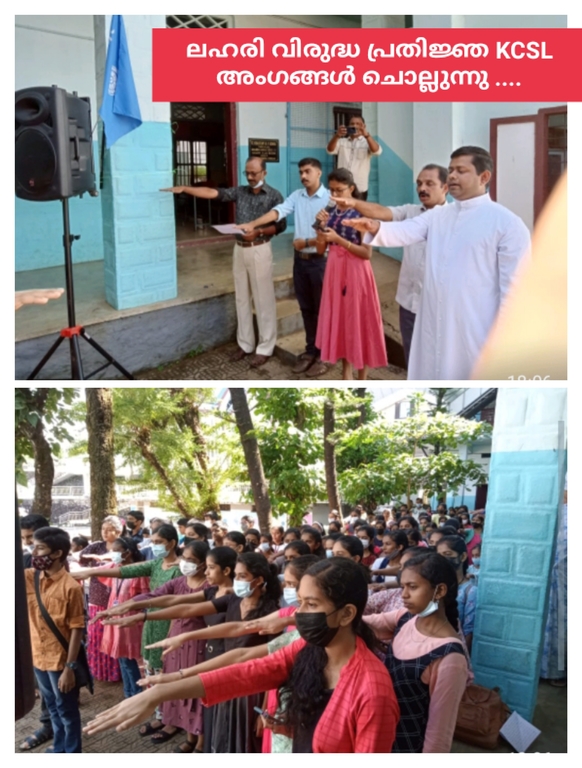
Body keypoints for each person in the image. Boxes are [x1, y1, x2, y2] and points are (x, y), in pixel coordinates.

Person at [84, 558, 400, 753]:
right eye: (299, 601)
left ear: (346, 614)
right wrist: (160, 693)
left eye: (311, 605)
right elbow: (247, 671)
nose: (297, 614)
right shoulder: (308, 649)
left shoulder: (373, 690)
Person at [347, 146, 531, 380]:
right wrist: (375, 227)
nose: (452, 175)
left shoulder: (507, 225)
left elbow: (515, 290)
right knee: (428, 370)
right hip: (433, 317)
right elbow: (406, 230)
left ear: (484, 177)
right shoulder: (437, 215)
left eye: (461, 170)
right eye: (451, 169)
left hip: (474, 325)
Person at [122, 552, 281, 753]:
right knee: (222, 735)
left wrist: (265, 710)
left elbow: (273, 666)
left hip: (251, 691)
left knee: (245, 740)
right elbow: (186, 609)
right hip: (226, 679)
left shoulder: (271, 612)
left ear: (258, 580)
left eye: (242, 577)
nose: (237, 581)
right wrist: (143, 615)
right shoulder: (232, 600)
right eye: (237, 575)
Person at [161, 157, 286, 367]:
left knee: (263, 300)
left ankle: (265, 347)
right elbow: (214, 193)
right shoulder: (240, 191)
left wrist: (258, 231)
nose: (250, 176)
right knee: (242, 298)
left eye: (254, 173)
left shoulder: (274, 196)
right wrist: (185, 188)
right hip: (240, 250)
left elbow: (281, 226)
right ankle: (246, 344)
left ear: (264, 173)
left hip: (260, 249)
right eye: (247, 172)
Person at [332, 164, 448, 365]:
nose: (422, 188)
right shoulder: (411, 211)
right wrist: (353, 203)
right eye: (419, 183)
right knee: (413, 360)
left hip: (438, 306)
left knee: (440, 362)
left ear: (445, 187)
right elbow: (382, 212)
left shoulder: (454, 219)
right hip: (408, 303)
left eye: (430, 184)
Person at [72, 523, 182, 728]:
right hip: (151, 623)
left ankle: (172, 721)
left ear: (172, 543)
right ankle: (160, 715)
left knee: (168, 672)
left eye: (159, 542)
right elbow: (127, 571)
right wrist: (92, 572)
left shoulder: (180, 569)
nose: (155, 546)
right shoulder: (157, 564)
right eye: (154, 542)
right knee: (151, 670)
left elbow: (178, 604)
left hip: (170, 623)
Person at [104, 541, 211, 750]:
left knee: (198, 694)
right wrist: (128, 605)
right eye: (184, 558)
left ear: (203, 564)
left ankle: (201, 742)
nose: (185, 563)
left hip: (198, 644)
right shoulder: (179, 582)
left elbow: (185, 611)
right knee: (178, 692)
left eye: (192, 560)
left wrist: (138, 611)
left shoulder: (210, 588)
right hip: (175, 645)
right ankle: (188, 736)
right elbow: (155, 597)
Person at [364, 552, 469, 752]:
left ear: (439, 591)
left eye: (412, 587)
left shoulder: (449, 657)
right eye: (403, 586)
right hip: (379, 737)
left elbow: (439, 734)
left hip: (406, 745)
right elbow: (361, 625)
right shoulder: (406, 618)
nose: (403, 594)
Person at [240, 158, 331, 377]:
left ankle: (325, 355)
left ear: (319, 173)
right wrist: (253, 224)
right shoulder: (296, 196)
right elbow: (277, 212)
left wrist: (309, 243)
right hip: (300, 261)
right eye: (301, 171)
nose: (303, 176)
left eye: (308, 171)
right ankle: (310, 352)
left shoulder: (330, 199)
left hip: (321, 261)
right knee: (306, 309)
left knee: (323, 311)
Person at [314, 169, 387, 380]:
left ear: (352, 189)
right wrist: (320, 228)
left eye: (340, 190)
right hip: (334, 271)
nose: (335, 195)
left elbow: (366, 253)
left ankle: (362, 376)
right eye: (332, 190)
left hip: (356, 271)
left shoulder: (362, 215)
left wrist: (339, 240)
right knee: (343, 320)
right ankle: (346, 373)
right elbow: (320, 250)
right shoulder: (329, 213)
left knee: (360, 320)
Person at [25, 527, 85, 753]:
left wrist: (70, 668)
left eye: (40, 548)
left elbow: (77, 628)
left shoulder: (71, 587)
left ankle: (72, 752)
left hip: (60, 661)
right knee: (52, 707)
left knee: (67, 709)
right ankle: (59, 748)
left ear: (57, 553)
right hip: (38, 657)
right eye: (33, 546)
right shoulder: (30, 577)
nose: (34, 552)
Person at [92, 537, 150, 699]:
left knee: (131, 660)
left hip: (130, 622)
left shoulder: (139, 572)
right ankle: (128, 693)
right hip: (115, 619)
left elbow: (145, 598)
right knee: (122, 660)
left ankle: (136, 696)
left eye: (116, 551)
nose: (113, 554)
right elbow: (99, 571)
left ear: (128, 553)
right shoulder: (115, 568)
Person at [78, 516, 125, 682]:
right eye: (103, 529)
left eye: (109, 529)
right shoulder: (96, 546)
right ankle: (99, 672)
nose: (105, 533)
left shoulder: (123, 547)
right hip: (97, 597)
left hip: (118, 598)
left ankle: (116, 674)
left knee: (115, 636)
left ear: (118, 531)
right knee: (96, 636)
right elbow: (81, 558)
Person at [436, 536, 477, 653]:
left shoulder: (470, 591)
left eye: (447, 553)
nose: (442, 559)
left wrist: (462, 655)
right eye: (439, 555)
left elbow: (468, 631)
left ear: (463, 557)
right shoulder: (435, 586)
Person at [326, 115, 382, 201]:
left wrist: (367, 135)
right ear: (348, 126)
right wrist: (337, 135)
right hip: (342, 187)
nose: (355, 126)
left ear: (364, 126)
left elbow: (377, 151)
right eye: (352, 124)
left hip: (360, 188)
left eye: (358, 124)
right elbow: (329, 150)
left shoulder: (367, 142)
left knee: (358, 213)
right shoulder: (341, 141)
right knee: (341, 211)